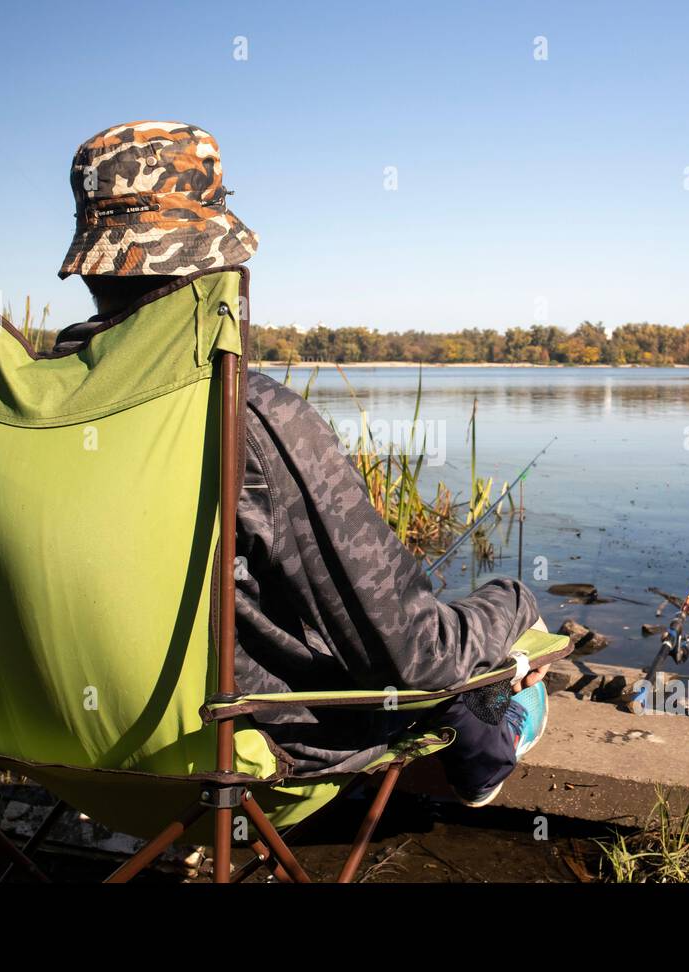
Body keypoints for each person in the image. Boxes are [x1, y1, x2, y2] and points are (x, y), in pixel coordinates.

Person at [54, 121, 551, 806]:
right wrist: (512, 602)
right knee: (486, 662)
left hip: (61, 751)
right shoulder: (250, 416)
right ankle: (489, 748)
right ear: (217, 260)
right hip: (238, 759)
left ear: (92, 262)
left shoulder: (15, 407)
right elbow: (418, 656)